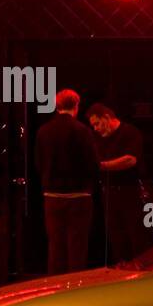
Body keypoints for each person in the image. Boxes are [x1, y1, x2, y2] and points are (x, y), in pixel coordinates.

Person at [34, 89, 100, 274]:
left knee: (55, 246)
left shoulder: (43, 131)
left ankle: (56, 284)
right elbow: (92, 163)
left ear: (57, 106)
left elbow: (38, 163)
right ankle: (75, 285)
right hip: (79, 196)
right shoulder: (82, 131)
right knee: (77, 246)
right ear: (76, 106)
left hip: (52, 196)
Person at [87, 103, 147, 264]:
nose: (96, 129)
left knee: (136, 234)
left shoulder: (130, 132)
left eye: (97, 123)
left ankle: (141, 268)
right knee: (116, 236)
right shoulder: (98, 139)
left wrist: (102, 166)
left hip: (130, 191)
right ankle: (121, 268)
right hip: (108, 192)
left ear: (107, 117)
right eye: (93, 126)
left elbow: (130, 160)